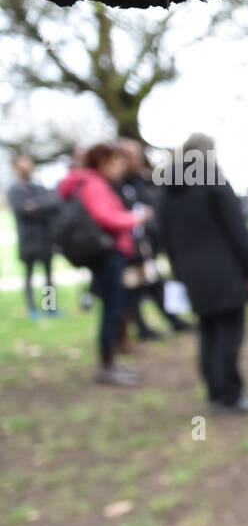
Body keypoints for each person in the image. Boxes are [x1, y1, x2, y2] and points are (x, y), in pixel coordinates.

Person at [156, 134, 248, 414]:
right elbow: (237, 231)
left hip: (190, 273)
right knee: (229, 333)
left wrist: (179, 272)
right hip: (225, 271)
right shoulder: (213, 182)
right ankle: (231, 394)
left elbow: (164, 237)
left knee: (208, 332)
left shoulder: (167, 190)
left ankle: (215, 392)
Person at [57, 143, 151, 386]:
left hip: (108, 254)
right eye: (116, 162)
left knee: (114, 307)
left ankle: (111, 361)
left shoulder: (93, 183)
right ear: (103, 162)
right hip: (107, 254)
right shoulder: (94, 184)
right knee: (112, 309)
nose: (120, 167)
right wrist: (135, 218)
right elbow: (104, 217)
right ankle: (107, 366)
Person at [116, 138, 192, 340]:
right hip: (129, 244)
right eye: (130, 157)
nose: (136, 160)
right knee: (134, 287)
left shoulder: (142, 180)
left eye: (137, 156)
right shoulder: (117, 184)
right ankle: (141, 327)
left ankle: (172, 320)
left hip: (147, 242)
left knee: (155, 282)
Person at [7, 154, 60, 319]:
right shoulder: (14, 190)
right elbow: (23, 209)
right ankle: (32, 308)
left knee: (48, 275)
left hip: (45, 238)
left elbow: (54, 203)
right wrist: (39, 206)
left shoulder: (39, 187)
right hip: (28, 240)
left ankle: (49, 306)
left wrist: (35, 206)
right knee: (29, 275)